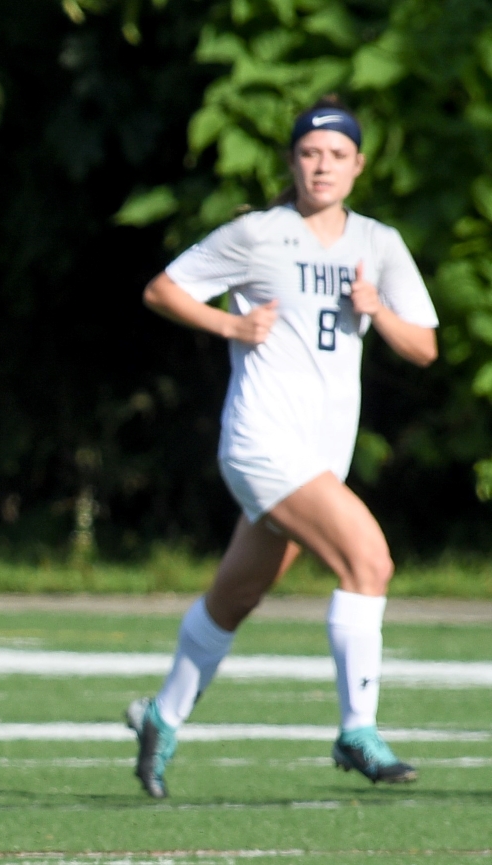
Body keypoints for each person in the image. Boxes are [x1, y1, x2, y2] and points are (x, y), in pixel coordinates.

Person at [126, 98, 438, 799]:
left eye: (335, 155)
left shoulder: (378, 244)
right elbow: (162, 290)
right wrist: (229, 327)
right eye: (308, 153)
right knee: (369, 558)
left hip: (321, 455)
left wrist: (377, 309)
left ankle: (160, 715)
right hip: (261, 441)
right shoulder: (258, 234)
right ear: (292, 163)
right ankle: (358, 730)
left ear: (358, 165)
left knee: (238, 593)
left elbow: (423, 347)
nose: (320, 166)